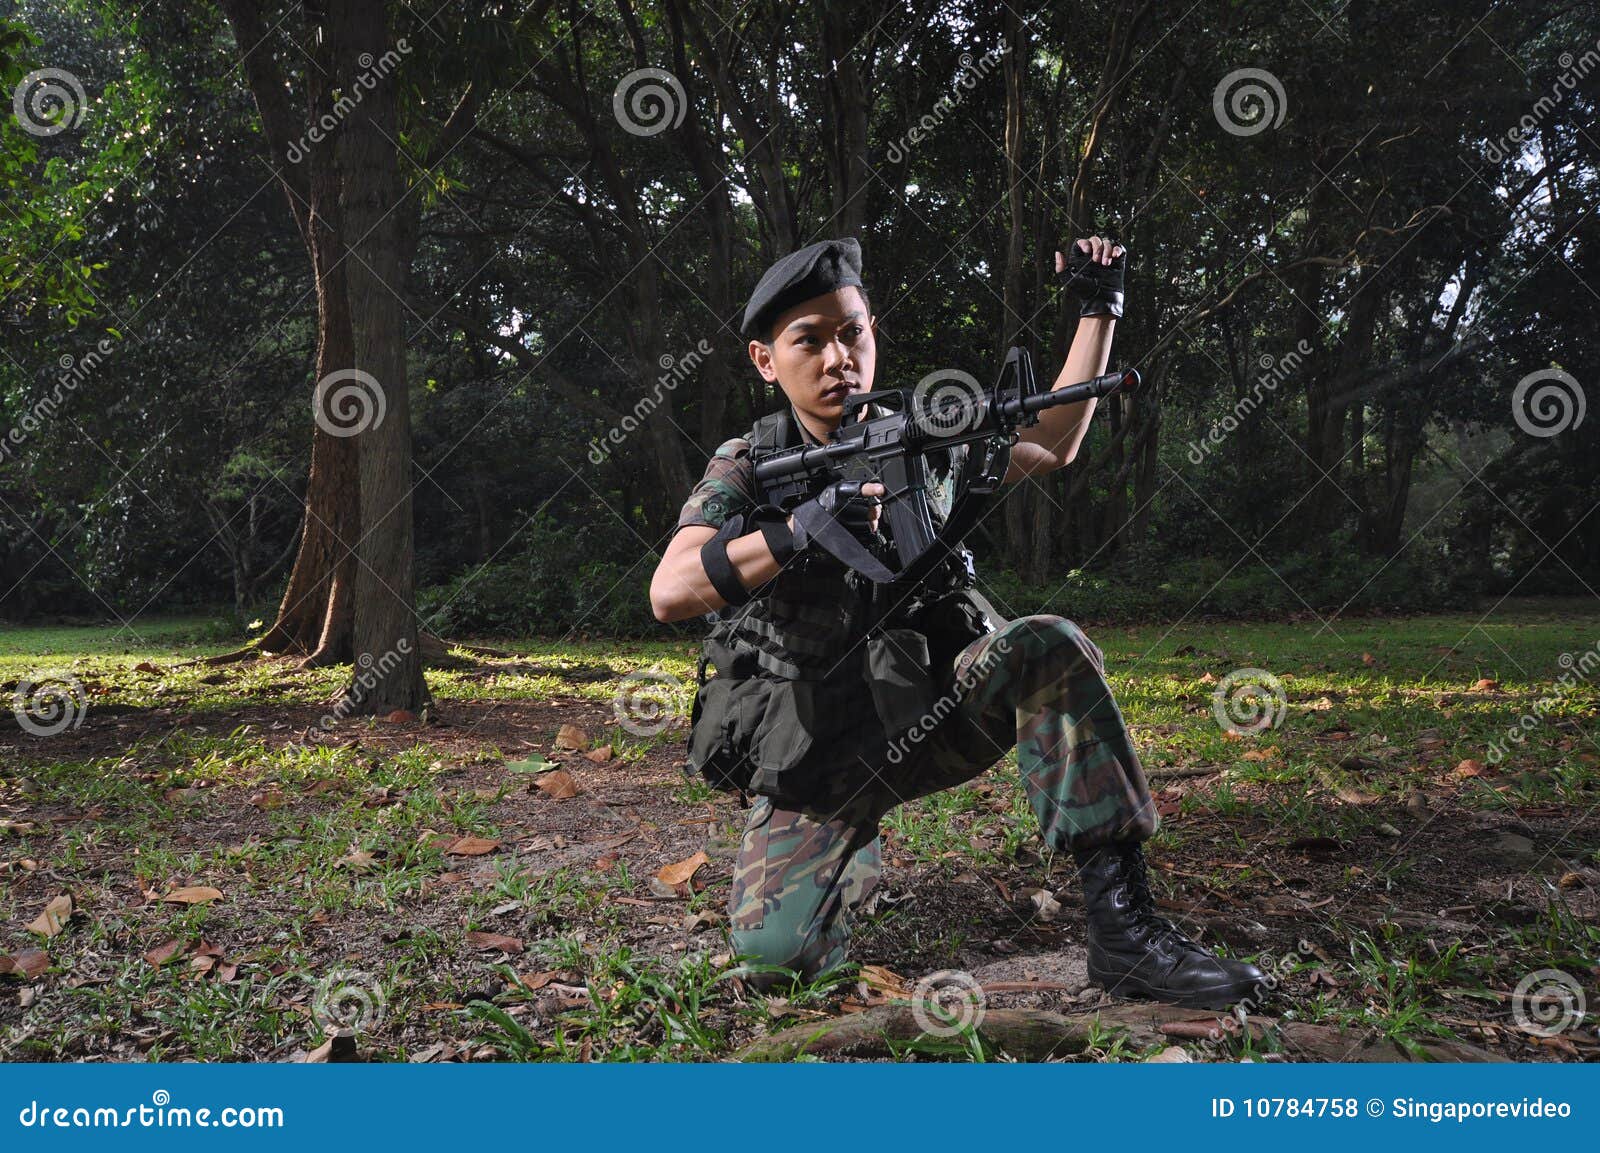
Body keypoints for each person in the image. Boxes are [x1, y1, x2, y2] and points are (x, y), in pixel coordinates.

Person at [649, 236, 1266, 1009]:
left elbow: (1050, 440)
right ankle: (850, 852)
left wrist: (1096, 308)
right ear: (766, 361)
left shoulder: (919, 431)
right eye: (808, 340)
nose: (838, 356)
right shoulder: (749, 460)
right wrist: (795, 531)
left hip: (937, 710)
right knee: (778, 959)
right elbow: (670, 590)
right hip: (822, 754)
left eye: (852, 332)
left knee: (1048, 645)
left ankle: (1124, 930)